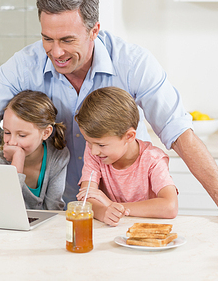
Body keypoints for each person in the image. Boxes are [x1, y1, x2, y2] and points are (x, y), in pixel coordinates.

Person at [0, 0, 218, 227]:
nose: (55, 51)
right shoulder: (25, 63)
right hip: (57, 213)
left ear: (94, 31)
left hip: (123, 213)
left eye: (67, 40)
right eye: (48, 38)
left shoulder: (133, 63)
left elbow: (179, 132)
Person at [75, 87, 178, 226]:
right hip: (112, 231)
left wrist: (113, 205)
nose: (93, 151)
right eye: (89, 142)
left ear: (129, 136)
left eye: (101, 145)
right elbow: (87, 197)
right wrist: (104, 213)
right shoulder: (96, 151)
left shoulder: (153, 159)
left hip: (147, 231)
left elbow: (170, 207)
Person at [0, 90, 69, 210]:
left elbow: (54, 208)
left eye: (22, 135)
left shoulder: (57, 156)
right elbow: (6, 209)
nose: (11, 142)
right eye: (7, 132)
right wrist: (17, 161)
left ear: (46, 133)